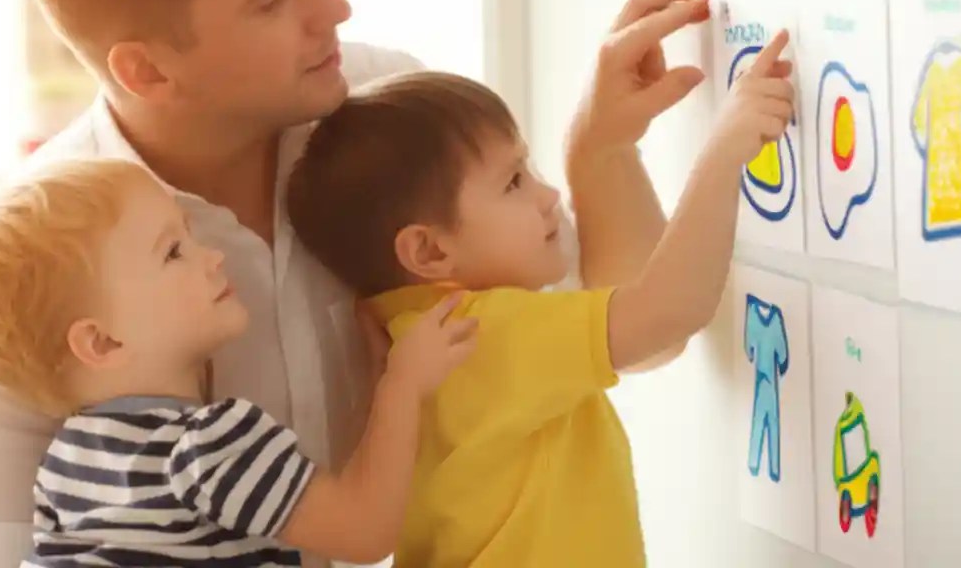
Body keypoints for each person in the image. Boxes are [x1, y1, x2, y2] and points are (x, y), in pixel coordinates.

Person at [0, 0, 717, 566]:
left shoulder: (382, 110)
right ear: (147, 71)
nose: (334, 5)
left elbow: (622, 331)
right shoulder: (27, 273)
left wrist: (603, 151)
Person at [283, 32, 794, 567]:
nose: (547, 196)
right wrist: (725, 149)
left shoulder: (408, 334)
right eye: (513, 183)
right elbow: (668, 310)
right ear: (429, 250)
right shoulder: (475, 333)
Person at [0, 157, 478, 566]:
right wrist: (402, 385)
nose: (213, 256)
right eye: (173, 251)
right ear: (101, 342)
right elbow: (364, 534)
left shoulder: (67, 466)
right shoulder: (213, 443)